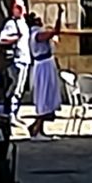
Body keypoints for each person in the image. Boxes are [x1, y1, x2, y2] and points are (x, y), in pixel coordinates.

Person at [24, 9, 64, 137]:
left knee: (48, 96)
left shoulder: (37, 33)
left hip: (46, 64)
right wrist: (59, 16)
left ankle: (37, 127)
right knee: (44, 97)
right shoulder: (36, 34)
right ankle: (37, 129)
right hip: (43, 67)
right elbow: (54, 32)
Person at [0, 0, 33, 112]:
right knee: (15, 86)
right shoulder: (11, 23)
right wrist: (15, 38)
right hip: (16, 60)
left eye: (21, 6)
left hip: (25, 59)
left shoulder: (24, 23)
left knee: (20, 88)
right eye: (17, 7)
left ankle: (14, 112)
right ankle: (10, 112)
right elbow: (1, 40)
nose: (20, 9)